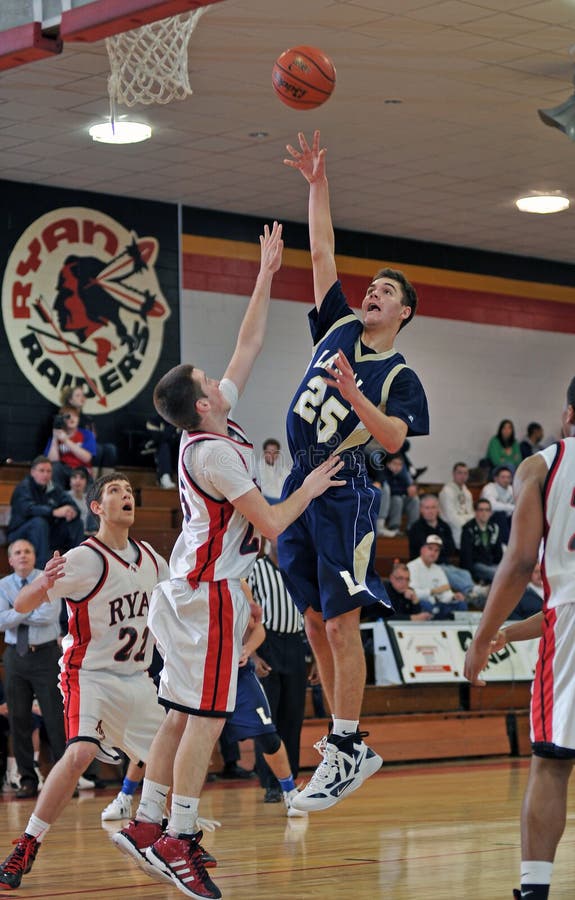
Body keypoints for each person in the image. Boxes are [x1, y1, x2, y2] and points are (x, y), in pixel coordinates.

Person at [113, 221, 345, 900]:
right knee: (206, 719)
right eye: (208, 380)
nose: (219, 377)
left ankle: (146, 822)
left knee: (183, 714)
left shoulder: (213, 424)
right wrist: (308, 484)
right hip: (204, 595)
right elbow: (271, 522)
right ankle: (179, 837)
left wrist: (267, 271)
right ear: (201, 404)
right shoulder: (212, 452)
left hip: (188, 589)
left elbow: (247, 344)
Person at [279, 130, 429, 813]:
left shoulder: (398, 373)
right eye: (372, 286)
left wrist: (352, 395)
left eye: (386, 291)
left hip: (345, 488)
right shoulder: (336, 326)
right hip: (297, 483)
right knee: (312, 616)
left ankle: (346, 745)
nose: (373, 291)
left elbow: (393, 440)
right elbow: (320, 253)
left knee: (343, 622)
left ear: (403, 313)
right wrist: (316, 185)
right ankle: (344, 742)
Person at [0, 473, 169, 890]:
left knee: (178, 753)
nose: (126, 495)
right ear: (96, 507)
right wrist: (42, 580)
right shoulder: (83, 558)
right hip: (89, 675)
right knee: (79, 754)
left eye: (129, 490)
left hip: (137, 677)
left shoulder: (153, 560)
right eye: (115, 491)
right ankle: (26, 844)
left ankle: (169, 836)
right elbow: (21, 604)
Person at [464, 376, 575, 900]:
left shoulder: (543, 464)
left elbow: (519, 563)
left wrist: (483, 637)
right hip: (564, 616)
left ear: (568, 416)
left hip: (568, 623)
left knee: (552, 764)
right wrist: (511, 631)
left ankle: (535, 891)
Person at [0, 539, 66, 801]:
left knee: (55, 718)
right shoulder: (3, 585)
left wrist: (16, 610)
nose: (23, 555)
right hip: (16, 657)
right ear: (11, 560)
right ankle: (28, 779)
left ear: (34, 556)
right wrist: (29, 607)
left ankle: (64, 779)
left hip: (46, 655)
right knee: (19, 720)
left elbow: (49, 615)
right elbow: (0, 621)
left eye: (27, 551)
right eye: (18, 552)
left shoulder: (46, 579)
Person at [247, 538, 308, 800]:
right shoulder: (254, 569)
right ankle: (271, 782)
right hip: (267, 642)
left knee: (293, 717)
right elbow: (244, 615)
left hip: (296, 644)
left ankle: (290, 781)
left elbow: (311, 614)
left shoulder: (298, 569)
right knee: (267, 720)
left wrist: (313, 657)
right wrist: (253, 654)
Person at [7, 456, 84, 569]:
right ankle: (41, 569)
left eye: (48, 471)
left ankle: (77, 564)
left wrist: (71, 511)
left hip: (46, 533)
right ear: (33, 472)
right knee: (39, 522)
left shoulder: (53, 488)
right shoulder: (23, 487)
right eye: (42, 471)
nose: (46, 474)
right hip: (20, 533)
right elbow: (28, 509)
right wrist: (53, 512)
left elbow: (72, 504)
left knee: (77, 522)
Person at [407, 493, 478, 600]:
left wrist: (439, 549)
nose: (430, 511)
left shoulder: (444, 526)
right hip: (426, 565)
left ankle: (473, 592)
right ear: (421, 509)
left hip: (445, 563)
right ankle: (472, 592)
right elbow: (424, 551)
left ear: (438, 509)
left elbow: (451, 548)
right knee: (448, 573)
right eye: (427, 508)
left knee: (464, 573)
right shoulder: (416, 528)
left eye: (433, 507)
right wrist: (441, 548)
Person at [60, 385, 118, 474]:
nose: (82, 398)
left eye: (83, 395)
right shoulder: (64, 416)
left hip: (86, 444)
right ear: (70, 400)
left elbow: (92, 435)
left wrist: (92, 437)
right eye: (78, 395)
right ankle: (92, 483)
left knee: (110, 449)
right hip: (74, 445)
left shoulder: (87, 418)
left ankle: (106, 483)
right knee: (97, 449)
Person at [407, 535, 468, 619]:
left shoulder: (438, 569)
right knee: (426, 605)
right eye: (430, 548)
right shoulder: (411, 567)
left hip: (438, 605)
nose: (433, 553)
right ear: (422, 550)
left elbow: (445, 592)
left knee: (461, 604)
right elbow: (412, 593)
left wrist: (453, 597)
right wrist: (433, 591)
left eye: (437, 550)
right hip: (423, 604)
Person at [44, 406, 96, 489]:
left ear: (78, 418)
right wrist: (55, 438)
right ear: (62, 419)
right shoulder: (56, 436)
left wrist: (66, 440)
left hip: (81, 469)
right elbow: (52, 461)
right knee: (55, 468)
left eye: (75, 416)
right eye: (68, 416)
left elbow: (87, 458)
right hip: (64, 471)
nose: (72, 419)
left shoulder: (87, 434)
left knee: (84, 473)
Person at [362, 562, 432, 622]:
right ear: (391, 578)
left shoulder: (410, 591)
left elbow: (418, 617)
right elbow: (383, 617)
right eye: (400, 578)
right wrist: (411, 618)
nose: (404, 583)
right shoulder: (382, 590)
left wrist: (415, 601)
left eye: (407, 579)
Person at [459, 498, 504, 585]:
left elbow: (499, 553)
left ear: (491, 513)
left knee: (510, 572)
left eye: (487, 510)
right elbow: (466, 556)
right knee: (500, 575)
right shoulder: (468, 529)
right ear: (475, 512)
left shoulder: (494, 528)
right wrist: (472, 577)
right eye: (481, 510)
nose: (484, 513)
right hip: (476, 566)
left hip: (491, 564)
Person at [438, 462, 475, 549]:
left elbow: (471, 513)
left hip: (466, 524)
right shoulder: (447, 491)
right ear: (453, 474)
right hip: (451, 526)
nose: (463, 476)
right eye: (460, 473)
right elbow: (450, 516)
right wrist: (466, 526)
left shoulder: (467, 492)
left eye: (465, 473)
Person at [480, 464, 515, 544]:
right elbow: (492, 506)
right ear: (495, 478)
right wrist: (512, 508)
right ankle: (507, 544)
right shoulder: (489, 488)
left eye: (508, 477)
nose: (506, 480)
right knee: (500, 514)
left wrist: (513, 509)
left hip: (506, 519)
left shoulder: (511, 489)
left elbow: (518, 505)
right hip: (489, 518)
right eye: (503, 477)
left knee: (516, 515)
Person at [66, 466, 98, 538]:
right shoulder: (64, 497)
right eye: (74, 477)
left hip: (89, 535)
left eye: (82, 478)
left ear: (86, 482)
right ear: (70, 481)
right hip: (72, 536)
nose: (78, 481)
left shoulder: (90, 499)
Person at [259, 438, 291, 504]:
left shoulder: (282, 466)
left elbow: (289, 480)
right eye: (269, 452)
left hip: (282, 500)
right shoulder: (258, 469)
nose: (272, 455)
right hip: (267, 501)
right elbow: (264, 491)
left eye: (275, 453)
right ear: (264, 453)